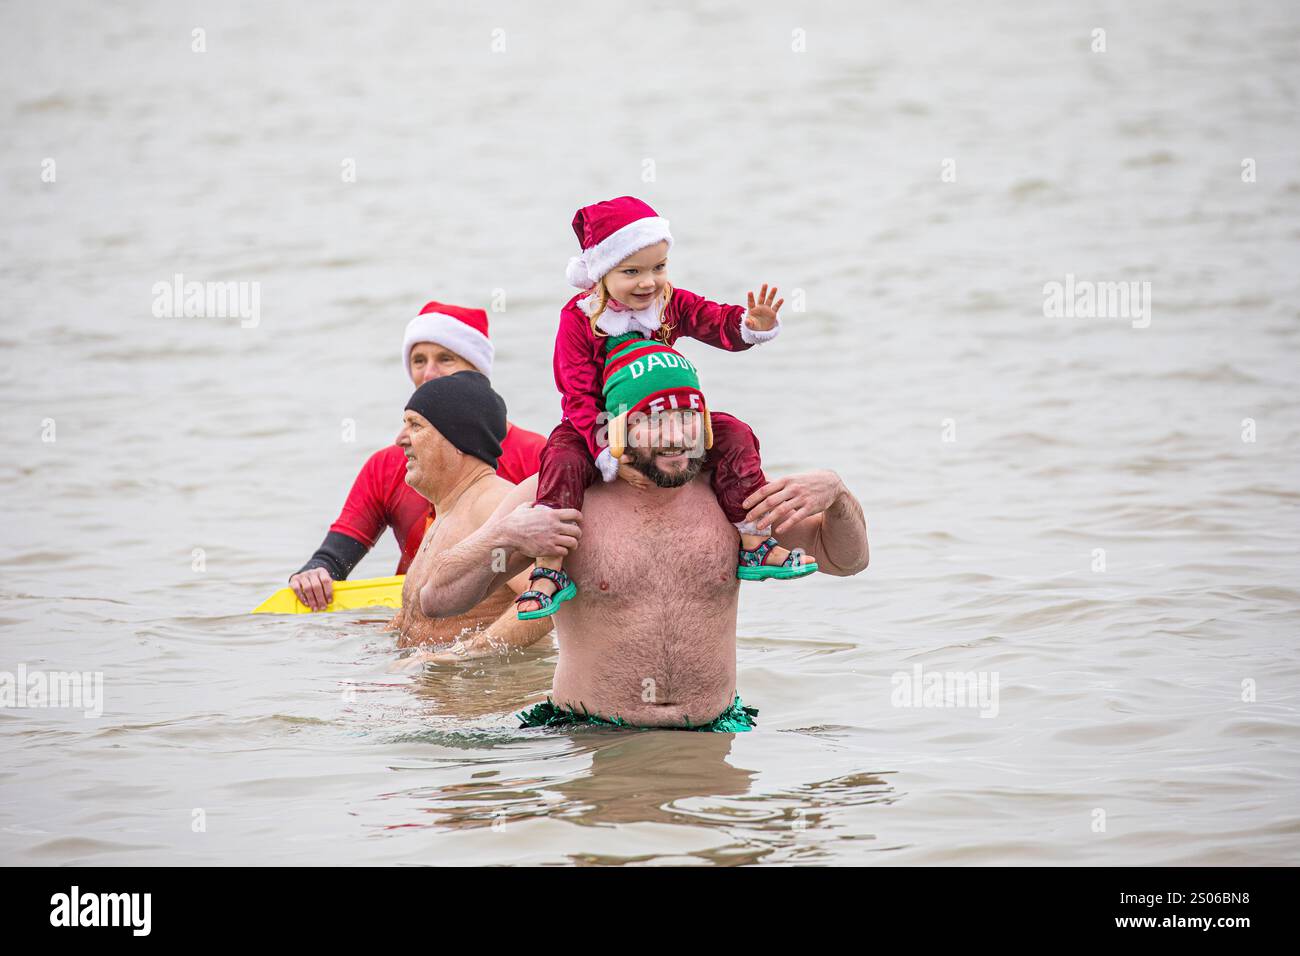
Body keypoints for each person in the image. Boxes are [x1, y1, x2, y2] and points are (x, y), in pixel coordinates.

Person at [414, 398, 871, 730]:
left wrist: (837, 494)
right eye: (654, 421)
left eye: (687, 418)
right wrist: (505, 535)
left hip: (715, 733)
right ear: (615, 428)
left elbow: (845, 560)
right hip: (589, 735)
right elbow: (436, 598)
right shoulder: (558, 498)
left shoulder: (735, 499)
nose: (675, 437)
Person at [516, 196, 815, 622]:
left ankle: (754, 543)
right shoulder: (580, 318)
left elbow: (712, 320)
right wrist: (605, 449)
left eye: (659, 267)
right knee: (559, 456)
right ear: (601, 273)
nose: (648, 282)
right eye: (631, 271)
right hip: (597, 423)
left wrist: (750, 325)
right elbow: (576, 393)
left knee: (736, 434)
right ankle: (549, 569)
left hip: (669, 417)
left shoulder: (669, 302)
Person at [288, 301, 545, 609]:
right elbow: (335, 558)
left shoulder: (535, 455)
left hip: (491, 621)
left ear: (478, 371)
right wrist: (315, 574)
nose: (429, 374)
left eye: (446, 358)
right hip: (417, 617)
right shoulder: (390, 464)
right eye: (419, 361)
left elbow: (555, 580)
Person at [386, 372, 567, 654]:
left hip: (486, 694)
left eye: (415, 425)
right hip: (443, 689)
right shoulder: (446, 511)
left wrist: (464, 654)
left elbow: (548, 607)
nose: (400, 439)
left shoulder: (493, 503)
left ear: (457, 440)